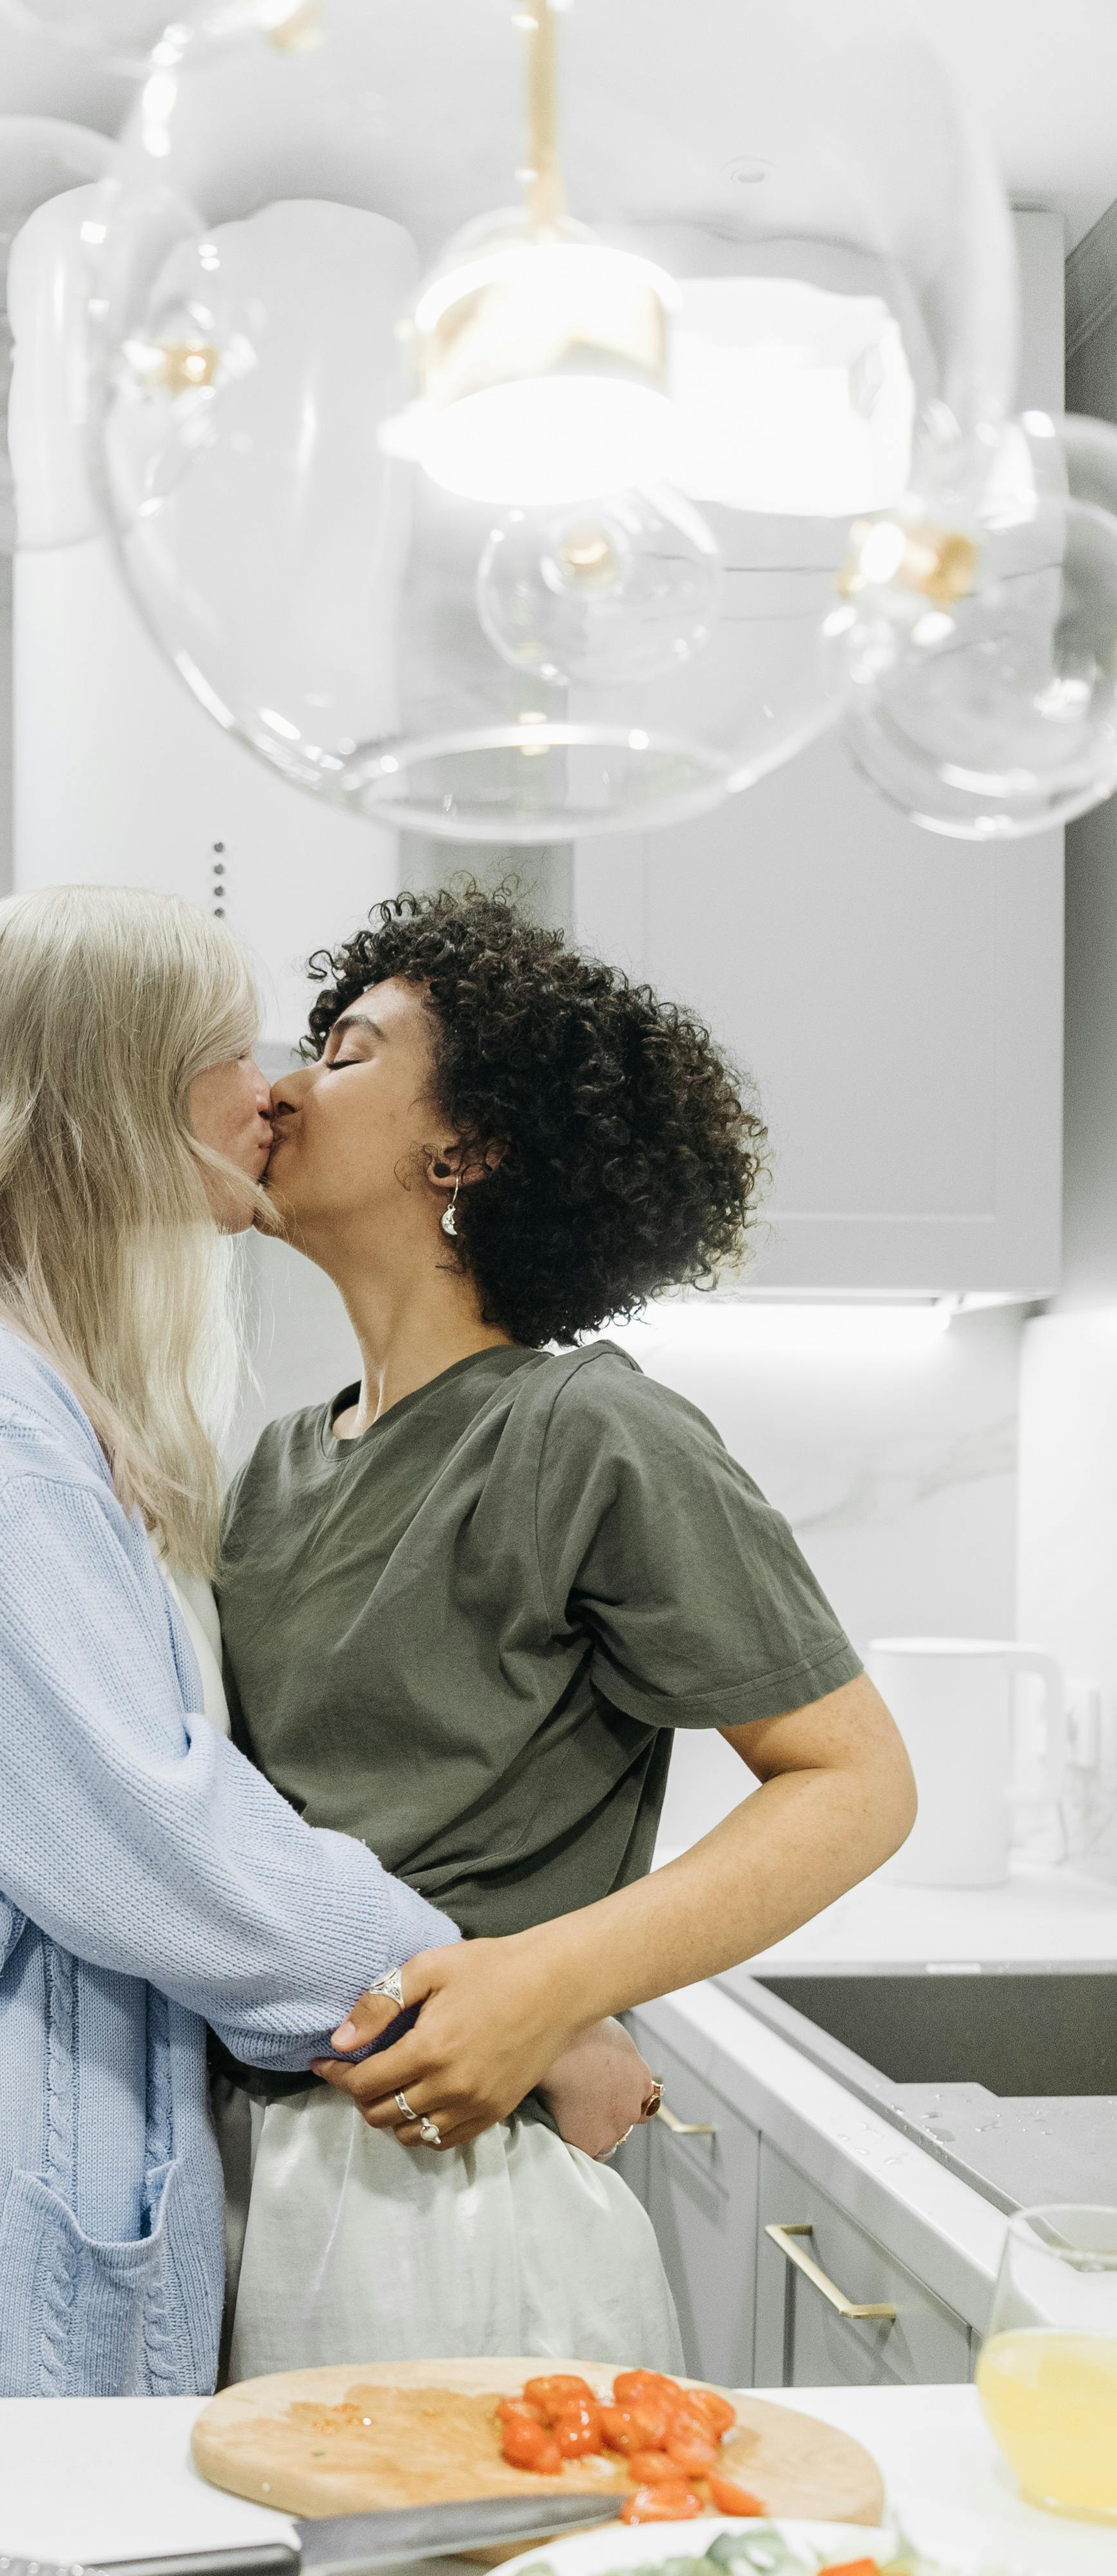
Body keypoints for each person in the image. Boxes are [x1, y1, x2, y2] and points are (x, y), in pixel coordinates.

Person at [0, 884, 641, 2400]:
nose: (272, 1091)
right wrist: (474, 1995)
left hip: (3, 2217)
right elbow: (139, 1818)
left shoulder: (19, 1374)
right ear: (111, 1091)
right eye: (233, 1051)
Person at [216, 882, 918, 2376]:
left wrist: (554, 1986)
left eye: (342, 1052)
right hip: (239, 2163)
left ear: (461, 1147)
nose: (279, 1088)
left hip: (450, 2201)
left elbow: (853, 1783)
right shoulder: (275, 1463)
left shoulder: (584, 1430)